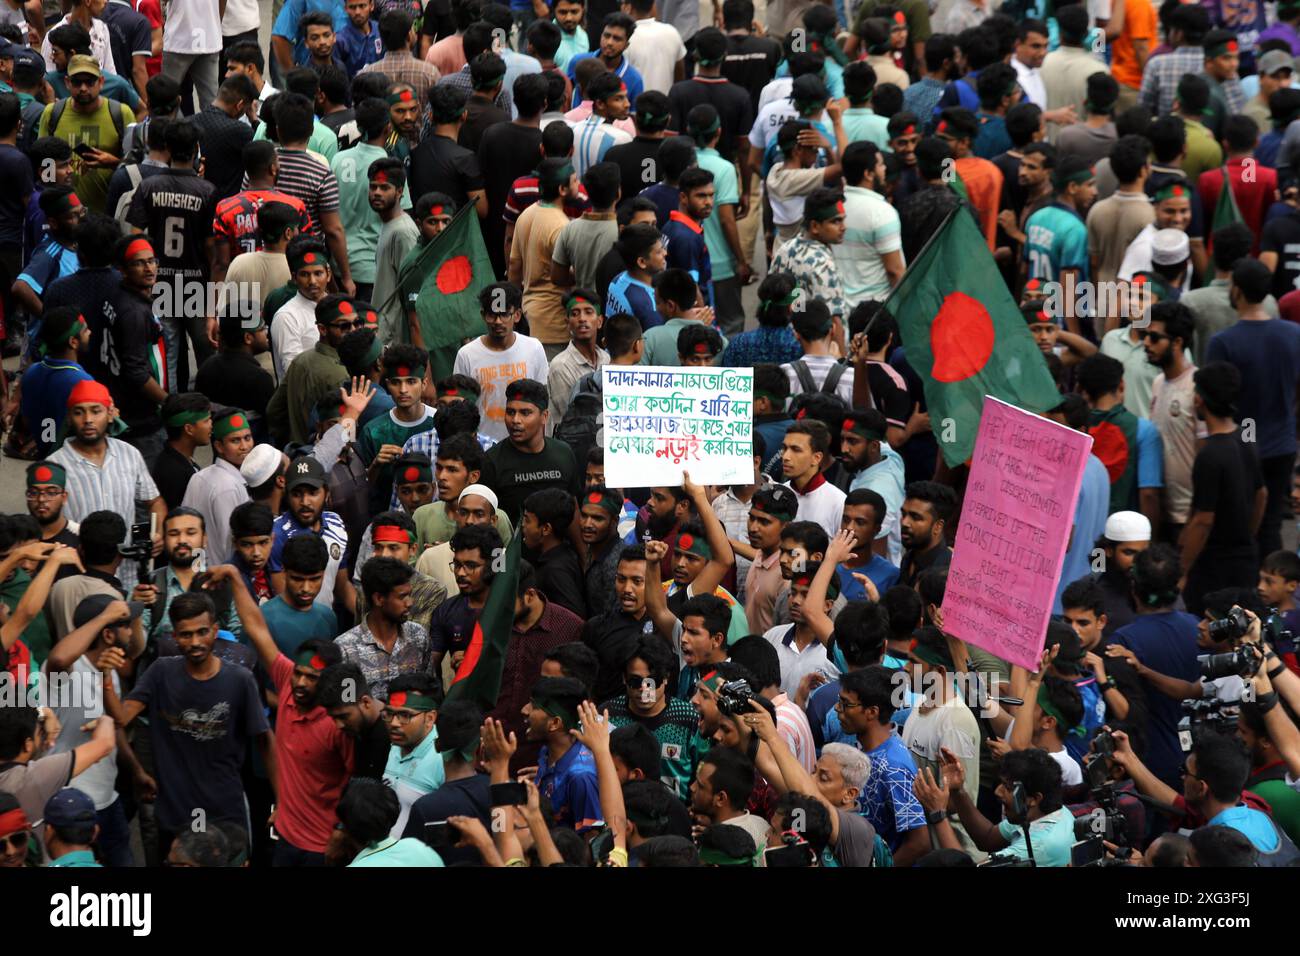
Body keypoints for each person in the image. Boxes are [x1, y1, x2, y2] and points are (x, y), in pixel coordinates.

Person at [119, 591, 273, 858]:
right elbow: (119, 720)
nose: (195, 642)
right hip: (175, 816)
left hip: (225, 816)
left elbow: (266, 741)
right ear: (174, 636)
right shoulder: (160, 672)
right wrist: (136, 771)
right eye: (186, 634)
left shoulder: (240, 680)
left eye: (202, 632)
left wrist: (281, 802)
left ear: (215, 630)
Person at [1205, 259, 1300, 558]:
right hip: (1283, 444)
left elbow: (1214, 397)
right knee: (1271, 523)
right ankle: (1273, 590)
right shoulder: (1293, 334)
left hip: (1242, 447)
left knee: (1239, 526)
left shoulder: (1223, 342)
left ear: (1238, 291)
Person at [1179, 362, 1266, 615]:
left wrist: (1182, 572)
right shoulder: (1246, 440)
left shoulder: (1210, 455)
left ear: (1200, 400)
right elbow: (1262, 494)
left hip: (1214, 569)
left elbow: (1203, 520)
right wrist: (1246, 535)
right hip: (1245, 560)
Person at [453, 283, 549, 442]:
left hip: (526, 444)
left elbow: (542, 401)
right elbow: (461, 406)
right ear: (483, 315)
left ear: (517, 315)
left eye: (504, 314)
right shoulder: (467, 355)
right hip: (483, 444)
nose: (498, 321)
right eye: (492, 315)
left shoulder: (533, 348)